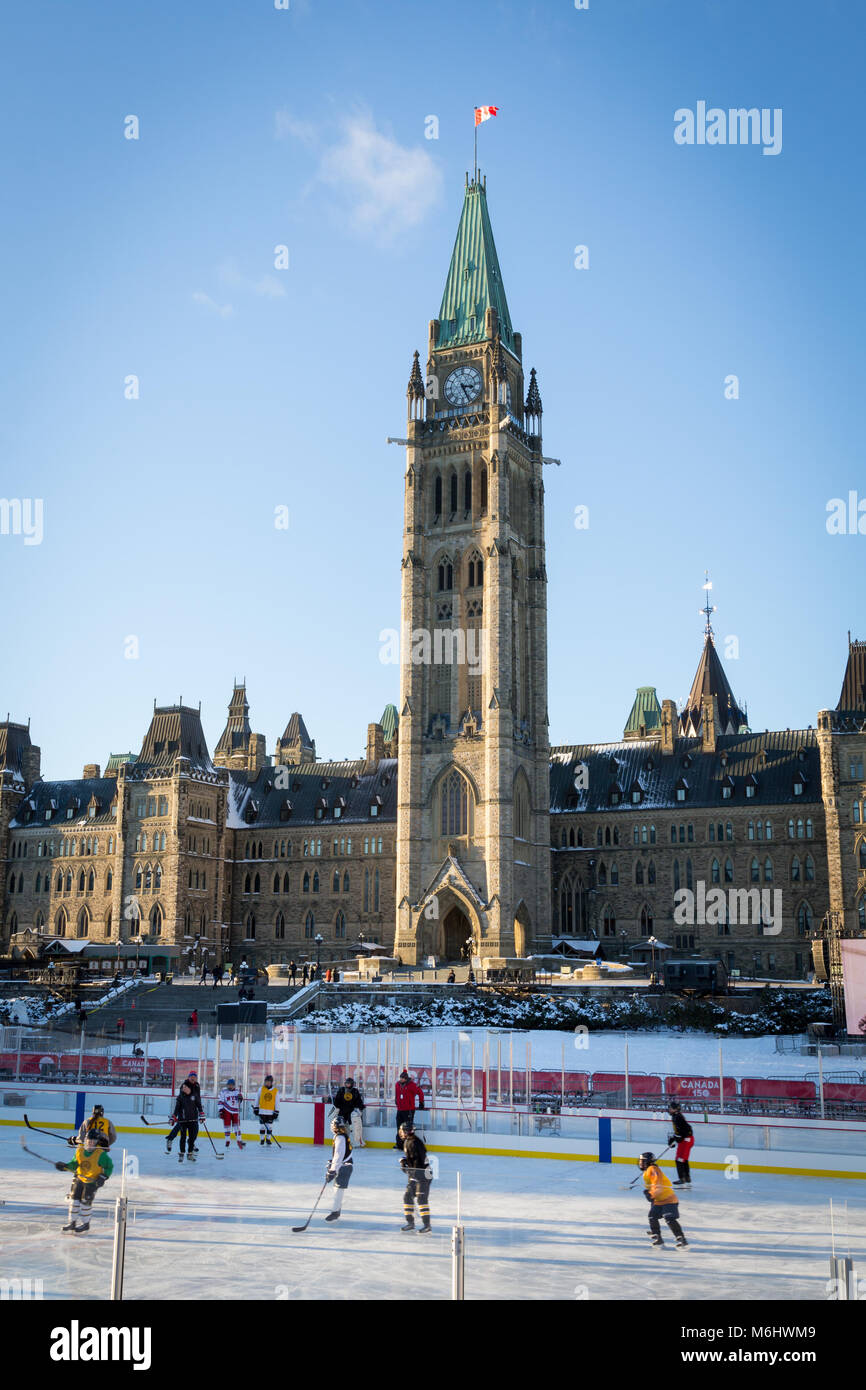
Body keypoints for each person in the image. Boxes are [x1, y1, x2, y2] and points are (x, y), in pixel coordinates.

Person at [56, 1131, 113, 1234]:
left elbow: (109, 1167)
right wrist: (65, 1166)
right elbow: (74, 1164)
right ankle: (72, 1222)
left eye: (93, 1141)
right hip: (80, 1179)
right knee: (74, 1202)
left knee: (85, 1203)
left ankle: (86, 1224)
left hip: (92, 1182)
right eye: (89, 1141)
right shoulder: (80, 1151)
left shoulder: (101, 1154)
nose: (91, 1143)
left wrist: (103, 1176)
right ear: (85, 1140)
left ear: (96, 1142)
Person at [637, 1151, 688, 1248]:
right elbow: (652, 1187)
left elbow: (658, 1184)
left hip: (668, 1199)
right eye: (640, 1161)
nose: (641, 1163)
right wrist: (650, 1194)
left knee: (669, 1218)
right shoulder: (646, 1172)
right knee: (652, 1216)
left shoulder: (653, 1169)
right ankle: (657, 1237)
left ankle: (681, 1237)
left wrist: (651, 1195)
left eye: (643, 1161)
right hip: (658, 1201)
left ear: (649, 1162)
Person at [398, 1119, 432, 1234]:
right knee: (407, 1197)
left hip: (423, 1175)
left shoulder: (414, 1142)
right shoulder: (408, 1141)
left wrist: (408, 1169)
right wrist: (405, 1161)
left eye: (402, 1130)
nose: (400, 1132)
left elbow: (420, 1161)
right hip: (416, 1174)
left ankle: (427, 1225)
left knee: (421, 1199)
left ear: (407, 1131)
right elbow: (413, 1158)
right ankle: (410, 1223)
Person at [324, 1117, 353, 1222]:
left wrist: (332, 1170)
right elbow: (340, 1155)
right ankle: (336, 1210)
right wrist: (332, 1164)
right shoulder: (342, 1136)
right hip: (343, 1166)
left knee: (338, 1190)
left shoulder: (340, 1138)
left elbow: (339, 1155)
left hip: (344, 1167)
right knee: (337, 1189)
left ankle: (335, 1212)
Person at [167, 1082, 200, 1162]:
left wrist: (201, 1112)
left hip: (192, 1118)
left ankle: (190, 1146)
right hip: (183, 1117)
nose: (183, 1088)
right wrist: (173, 1117)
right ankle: (171, 1139)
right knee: (181, 1131)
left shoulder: (195, 1088)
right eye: (183, 1088)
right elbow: (177, 1108)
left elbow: (197, 1102)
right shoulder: (181, 1095)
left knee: (194, 1133)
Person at [394, 1069, 424, 1149]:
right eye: (400, 1078)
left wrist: (421, 1102)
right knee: (399, 1127)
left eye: (403, 1078)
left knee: (408, 1128)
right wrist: (396, 1100)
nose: (401, 1079)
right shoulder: (397, 1084)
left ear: (406, 1078)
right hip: (400, 1109)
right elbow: (397, 1093)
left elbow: (420, 1092)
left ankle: (408, 1146)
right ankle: (399, 1144)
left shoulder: (412, 1085)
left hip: (409, 1110)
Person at [667, 1100, 695, 1187]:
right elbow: (679, 1132)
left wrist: (676, 1138)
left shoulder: (678, 1117)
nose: (669, 1110)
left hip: (687, 1140)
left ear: (675, 1109)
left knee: (680, 1159)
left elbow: (685, 1131)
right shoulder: (676, 1117)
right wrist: (674, 1138)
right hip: (685, 1140)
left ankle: (682, 1178)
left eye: (671, 1108)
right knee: (682, 1159)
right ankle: (686, 1177)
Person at [332, 1077, 366, 1147]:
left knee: (352, 1128)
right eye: (346, 1083)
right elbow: (337, 1101)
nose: (347, 1085)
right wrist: (336, 1106)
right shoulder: (341, 1090)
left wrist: (361, 1107)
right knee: (341, 1128)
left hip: (351, 1111)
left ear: (352, 1084)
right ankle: (341, 1142)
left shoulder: (355, 1091)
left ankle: (354, 1142)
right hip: (342, 1111)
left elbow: (358, 1101)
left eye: (349, 1083)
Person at [218, 1078, 245, 1148]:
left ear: (234, 1085)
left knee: (237, 1126)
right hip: (226, 1110)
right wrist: (220, 1110)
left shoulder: (237, 1091)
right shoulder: (223, 1092)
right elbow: (220, 1101)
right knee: (227, 1126)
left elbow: (240, 1100)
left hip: (235, 1111)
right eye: (229, 1085)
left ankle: (239, 1140)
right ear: (227, 1085)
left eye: (232, 1085)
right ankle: (227, 1140)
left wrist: (240, 1098)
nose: (230, 1086)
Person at [254, 1074, 279, 1146]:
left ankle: (268, 1139)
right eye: (266, 1081)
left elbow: (277, 1102)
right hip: (262, 1111)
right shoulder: (261, 1089)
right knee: (262, 1126)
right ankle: (262, 1139)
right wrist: (256, 1108)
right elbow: (257, 1099)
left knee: (269, 1126)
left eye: (269, 1082)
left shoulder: (275, 1091)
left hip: (270, 1112)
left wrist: (276, 1111)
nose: (267, 1083)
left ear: (271, 1082)